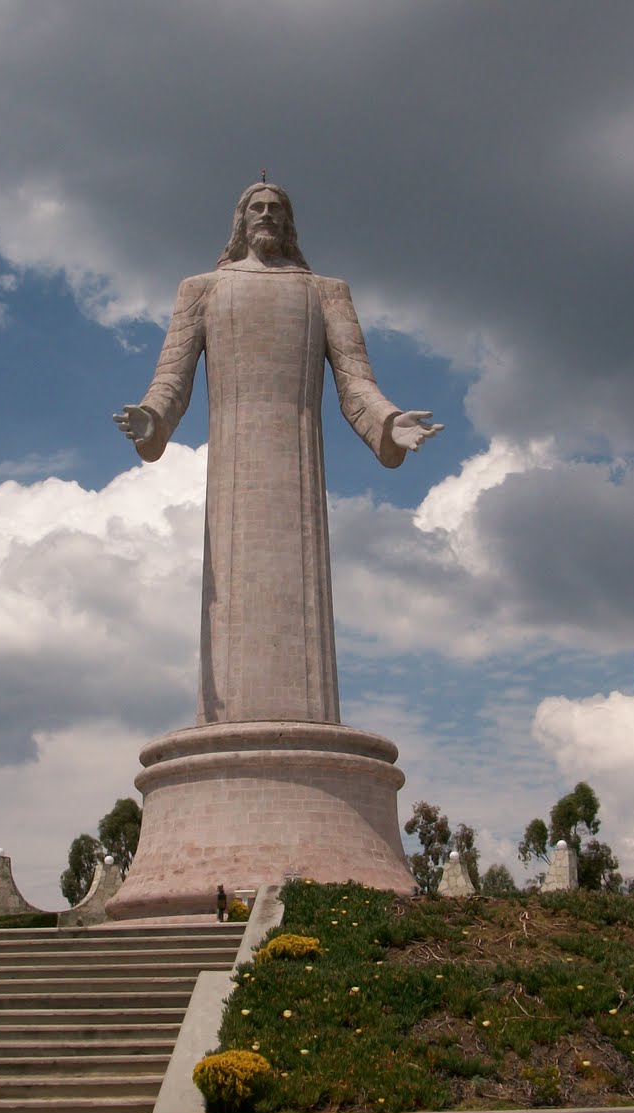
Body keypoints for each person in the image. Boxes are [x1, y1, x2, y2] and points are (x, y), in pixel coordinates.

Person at [114, 181, 443, 727]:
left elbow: (357, 381)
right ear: (240, 221)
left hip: (299, 467)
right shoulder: (203, 290)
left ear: (289, 223)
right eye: (255, 208)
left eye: (275, 209)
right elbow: (171, 379)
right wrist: (153, 420)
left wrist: (389, 424)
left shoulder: (324, 292)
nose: (265, 215)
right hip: (232, 471)